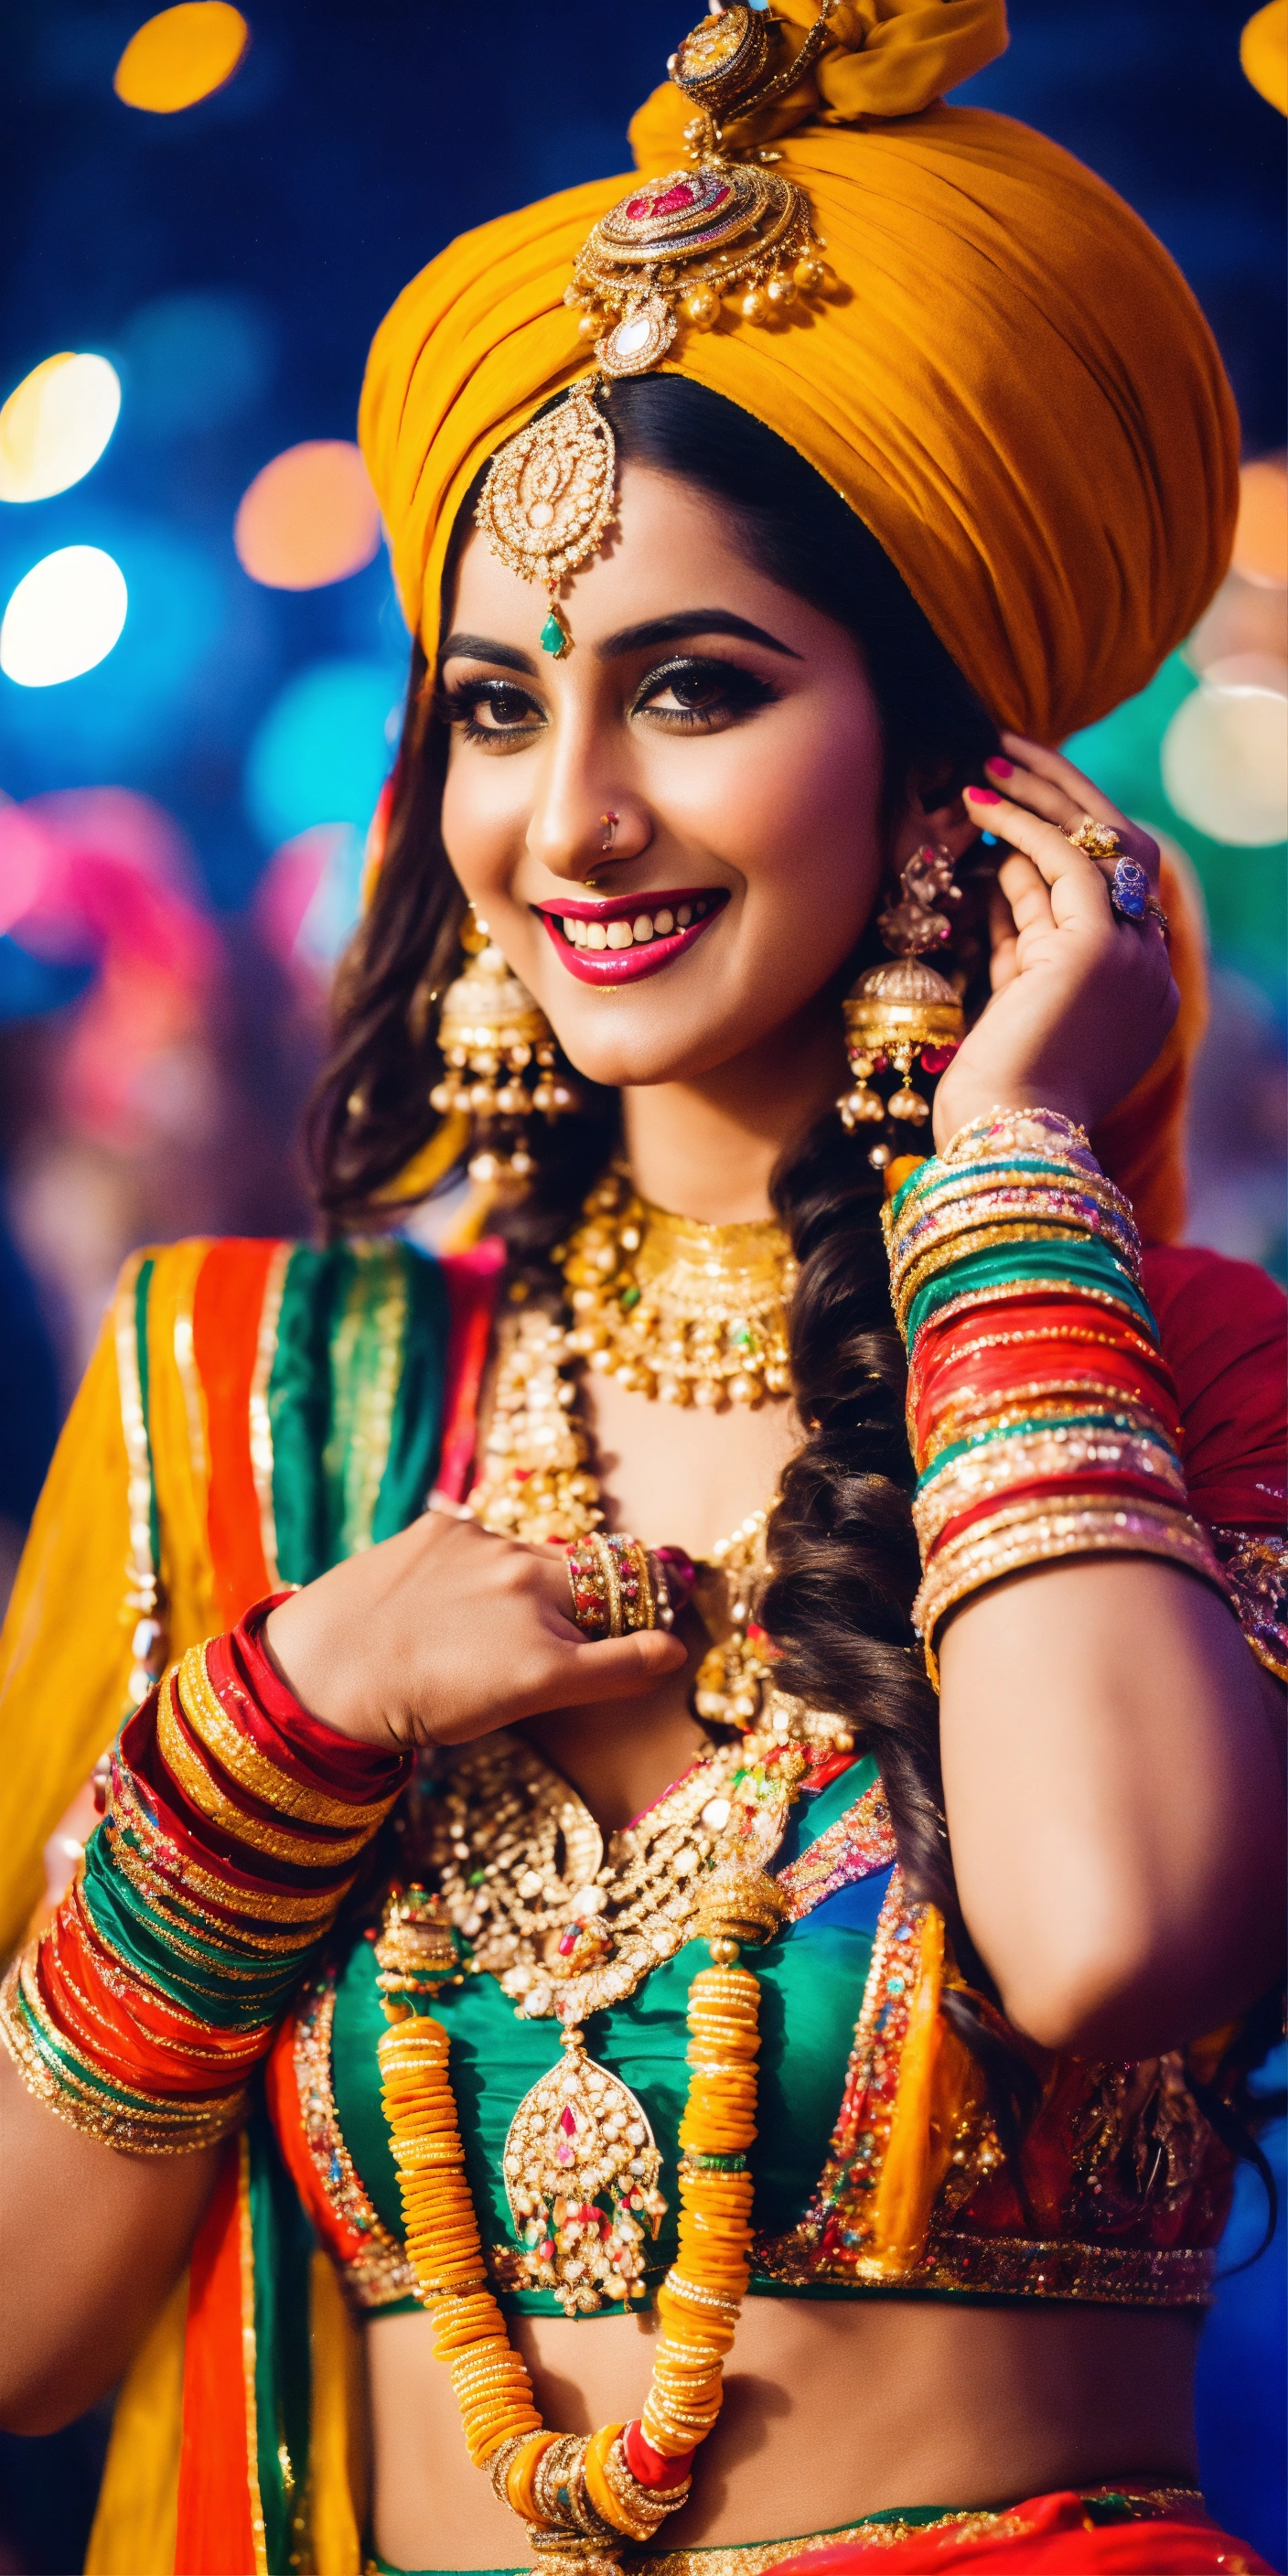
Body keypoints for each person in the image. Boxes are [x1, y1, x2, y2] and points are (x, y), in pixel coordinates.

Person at [1, 6, 1284, 2573]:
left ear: (959, 770)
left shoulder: (1196, 1378)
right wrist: (294, 1722)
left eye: (695, 689)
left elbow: (1120, 1923)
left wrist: (1013, 1176)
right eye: (495, 707)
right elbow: (20, 2332)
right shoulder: (259, 1396)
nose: (564, 817)